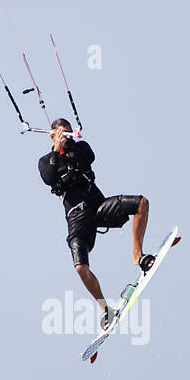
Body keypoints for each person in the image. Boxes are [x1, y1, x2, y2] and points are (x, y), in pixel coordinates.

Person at [37, 118, 153, 330]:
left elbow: (89, 156)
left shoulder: (80, 148)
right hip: (77, 218)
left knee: (142, 204)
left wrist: (69, 143)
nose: (66, 136)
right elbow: (48, 178)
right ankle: (105, 309)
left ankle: (138, 256)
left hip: (98, 206)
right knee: (80, 267)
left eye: (69, 132)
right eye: (62, 133)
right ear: (52, 135)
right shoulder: (46, 161)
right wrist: (57, 147)